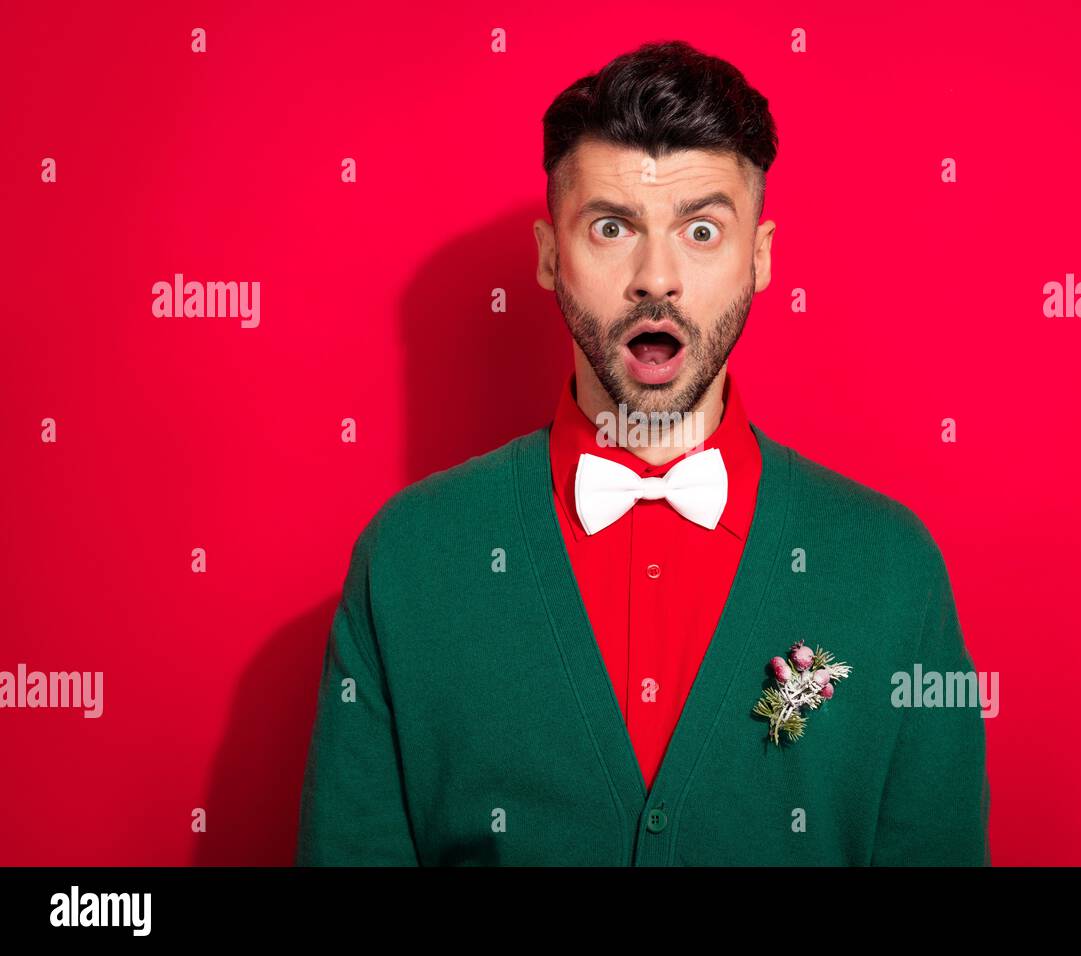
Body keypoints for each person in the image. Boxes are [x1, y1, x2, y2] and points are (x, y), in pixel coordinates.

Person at [295, 39, 990, 866]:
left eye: (701, 229)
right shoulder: (408, 559)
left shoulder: (890, 568)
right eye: (612, 227)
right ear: (551, 256)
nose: (655, 278)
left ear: (759, 258)